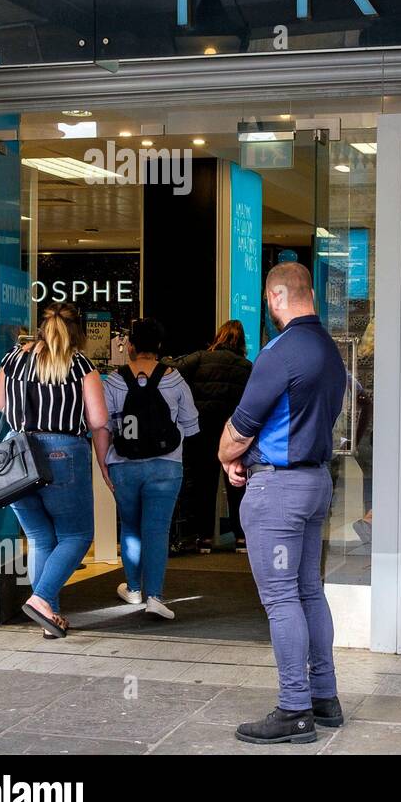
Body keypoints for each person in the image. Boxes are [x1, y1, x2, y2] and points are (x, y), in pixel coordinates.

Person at [219, 262, 347, 745]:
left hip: (278, 491)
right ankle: (324, 698)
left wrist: (226, 454)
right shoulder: (329, 351)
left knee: (281, 599)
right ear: (309, 294)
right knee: (309, 591)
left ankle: (294, 709)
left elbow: (241, 425)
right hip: (315, 483)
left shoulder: (280, 352)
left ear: (276, 297)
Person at [0, 303, 109, 639]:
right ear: (78, 333)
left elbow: (1, 403)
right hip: (63, 453)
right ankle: (42, 599)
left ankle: (50, 616)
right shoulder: (80, 365)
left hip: (18, 456)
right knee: (76, 536)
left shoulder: (13, 358)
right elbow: (99, 420)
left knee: (41, 538)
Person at [97, 318, 200, 619]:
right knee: (157, 530)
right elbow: (191, 427)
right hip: (166, 466)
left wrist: (105, 465)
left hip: (124, 465)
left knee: (130, 526)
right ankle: (155, 596)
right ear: (158, 347)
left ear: (129, 346)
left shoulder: (114, 381)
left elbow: (102, 427)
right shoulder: (176, 379)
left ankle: (132, 589)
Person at [171, 320, 253, 553]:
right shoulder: (246, 366)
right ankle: (241, 537)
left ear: (219, 337)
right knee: (236, 483)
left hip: (201, 429)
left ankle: (204, 537)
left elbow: (172, 368)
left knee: (203, 484)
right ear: (241, 342)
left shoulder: (199, 358)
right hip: (232, 432)